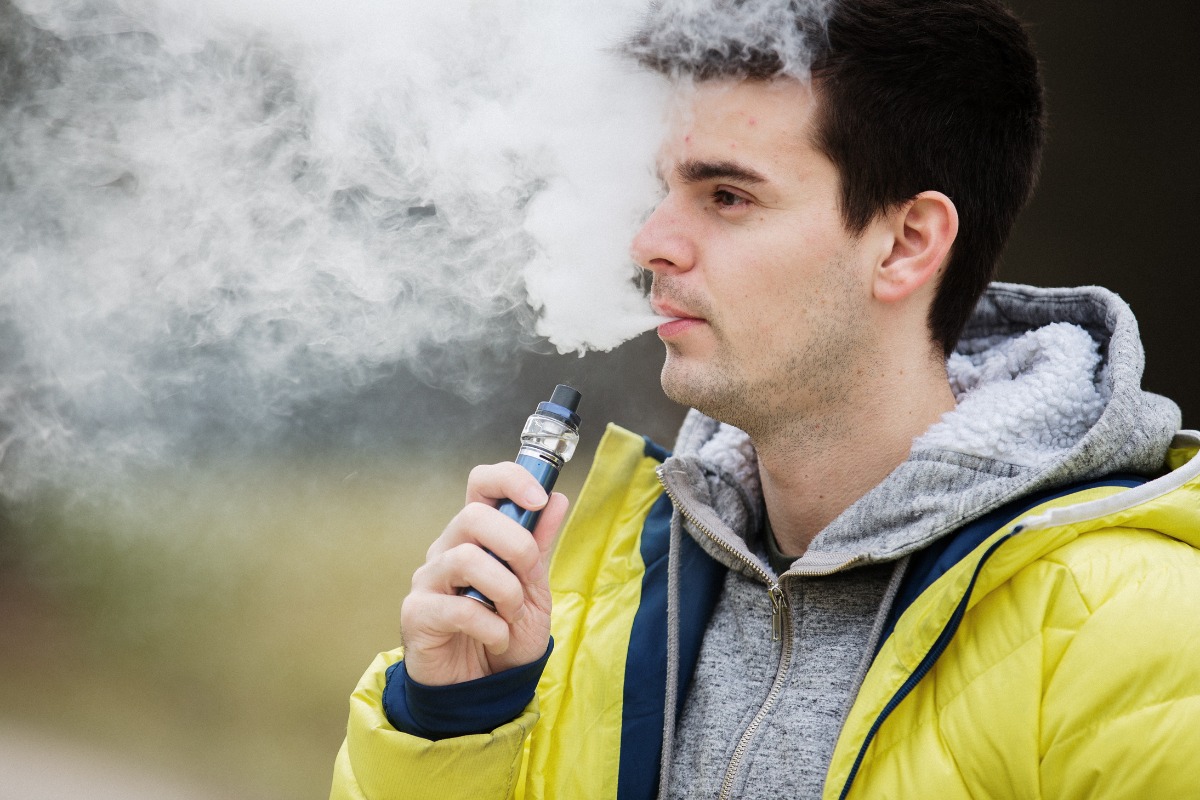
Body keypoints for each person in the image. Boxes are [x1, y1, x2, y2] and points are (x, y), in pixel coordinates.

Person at [330, 1, 1200, 797]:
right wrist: (452, 725)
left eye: (728, 196)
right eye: (662, 190)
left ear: (905, 243)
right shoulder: (580, 607)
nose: (650, 242)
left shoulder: (1138, 627)